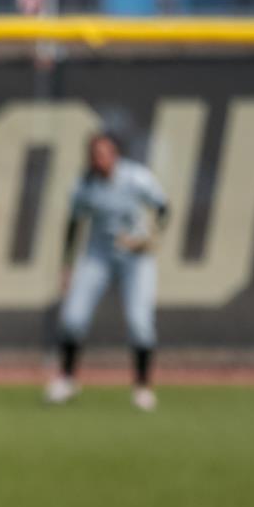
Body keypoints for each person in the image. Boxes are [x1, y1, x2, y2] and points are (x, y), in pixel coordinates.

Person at [46, 129, 171, 412]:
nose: (99, 159)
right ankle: (67, 380)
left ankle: (142, 388)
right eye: (94, 154)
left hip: (135, 257)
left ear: (115, 154)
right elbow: (74, 225)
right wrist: (66, 265)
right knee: (73, 317)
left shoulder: (136, 177)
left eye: (104, 153)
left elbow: (163, 208)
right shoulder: (84, 185)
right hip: (98, 255)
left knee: (140, 322)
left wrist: (151, 235)